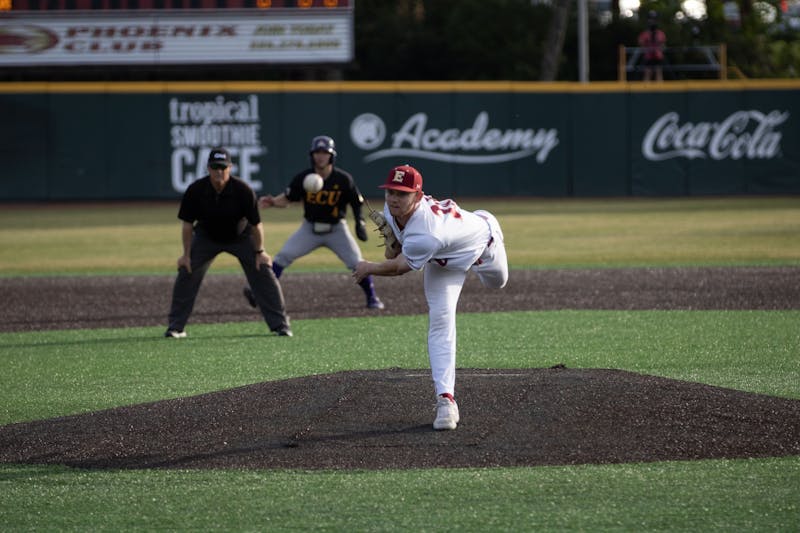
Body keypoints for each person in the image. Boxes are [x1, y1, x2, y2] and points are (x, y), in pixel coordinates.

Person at [352, 165, 508, 430]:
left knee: (497, 282)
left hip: (484, 240)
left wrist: (370, 267)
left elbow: (399, 267)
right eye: (390, 191)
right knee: (440, 321)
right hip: (442, 264)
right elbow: (395, 254)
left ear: (417, 194)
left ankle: (481, 255)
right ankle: (446, 399)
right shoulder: (392, 212)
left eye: (401, 193)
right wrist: (394, 242)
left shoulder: (427, 232)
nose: (393, 199)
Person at [244, 135, 384, 310]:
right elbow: (288, 198)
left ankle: (372, 297)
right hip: (309, 229)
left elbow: (356, 202)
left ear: (331, 155)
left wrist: (359, 223)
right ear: (312, 155)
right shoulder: (304, 177)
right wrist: (273, 202)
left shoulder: (342, 179)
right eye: (317, 152)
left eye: (324, 152)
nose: (320, 156)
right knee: (283, 256)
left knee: (356, 262)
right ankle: (259, 294)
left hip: (336, 229)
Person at [165, 147, 292, 338]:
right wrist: (186, 254)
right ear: (208, 168)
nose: (219, 171)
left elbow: (256, 225)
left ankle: (281, 326)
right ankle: (176, 327)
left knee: (263, 270)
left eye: (223, 167)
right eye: (215, 167)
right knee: (187, 271)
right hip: (206, 237)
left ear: (230, 168)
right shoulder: (196, 190)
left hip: (240, 237)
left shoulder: (243, 190)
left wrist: (260, 252)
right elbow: (187, 225)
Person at [638, 10, 667, 82]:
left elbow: (663, 45)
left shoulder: (660, 33)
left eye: (654, 19)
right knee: (647, 73)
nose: (652, 21)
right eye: (651, 19)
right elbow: (641, 44)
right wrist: (647, 45)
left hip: (658, 56)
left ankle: (660, 90)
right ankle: (645, 90)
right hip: (648, 56)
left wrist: (659, 46)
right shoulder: (645, 34)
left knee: (659, 72)